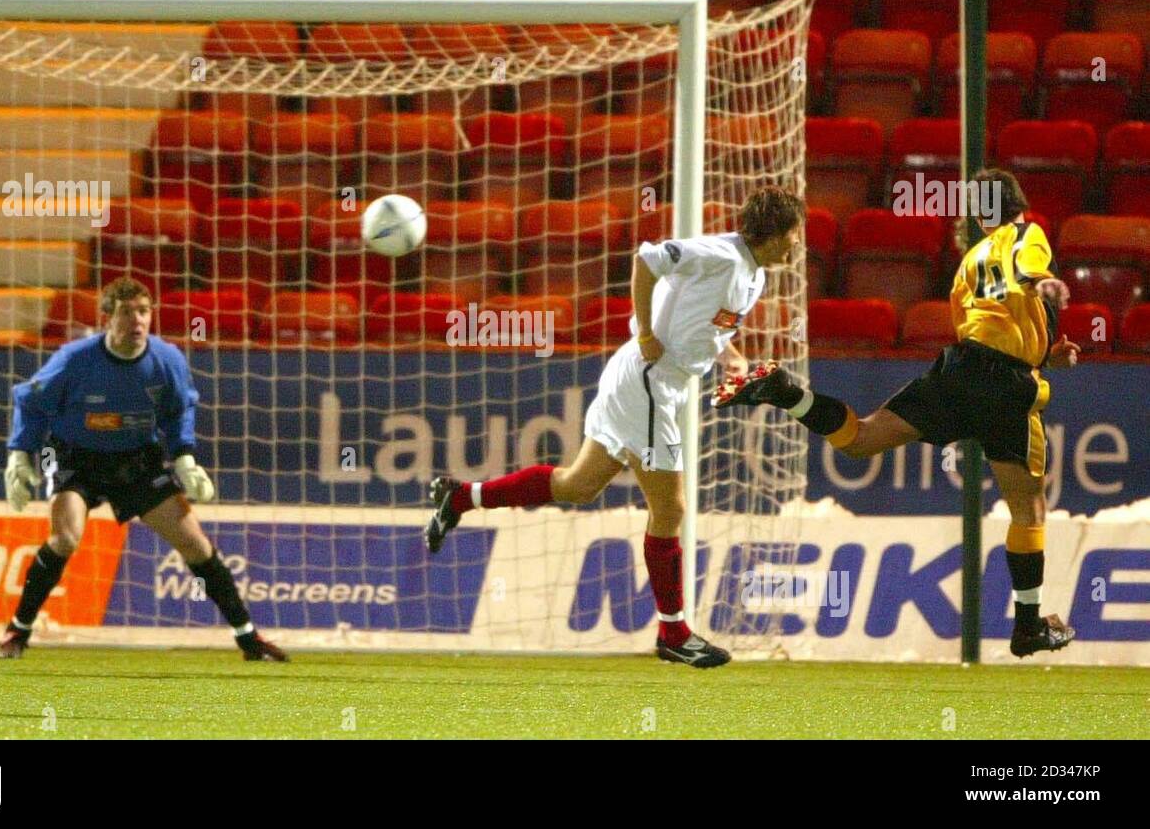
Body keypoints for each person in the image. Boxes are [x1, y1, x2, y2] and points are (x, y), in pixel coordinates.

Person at [425, 187, 806, 668]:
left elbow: (712, 326)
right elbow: (646, 260)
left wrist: (729, 356)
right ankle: (674, 633)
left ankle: (460, 497)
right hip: (646, 382)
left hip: (647, 382)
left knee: (577, 485)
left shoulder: (754, 274)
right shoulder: (720, 255)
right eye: (794, 234)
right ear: (772, 233)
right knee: (671, 508)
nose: (798, 244)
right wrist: (645, 331)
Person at [718, 168, 1078, 658]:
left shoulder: (967, 265)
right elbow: (1025, 270)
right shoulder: (1024, 233)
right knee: (1029, 507)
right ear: (1016, 207)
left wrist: (1043, 353)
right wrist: (1047, 283)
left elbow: (983, 329)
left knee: (862, 440)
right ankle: (1029, 625)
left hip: (961, 368)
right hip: (1004, 385)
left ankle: (787, 394)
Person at [0, 277, 289, 662]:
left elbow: (179, 410)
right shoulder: (74, 359)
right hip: (75, 458)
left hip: (136, 461)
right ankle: (18, 630)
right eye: (126, 312)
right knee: (66, 538)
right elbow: (30, 401)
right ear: (106, 318)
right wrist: (20, 454)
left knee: (195, 543)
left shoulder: (167, 360)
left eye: (143, 311)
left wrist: (184, 456)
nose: (136, 320)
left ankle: (249, 639)